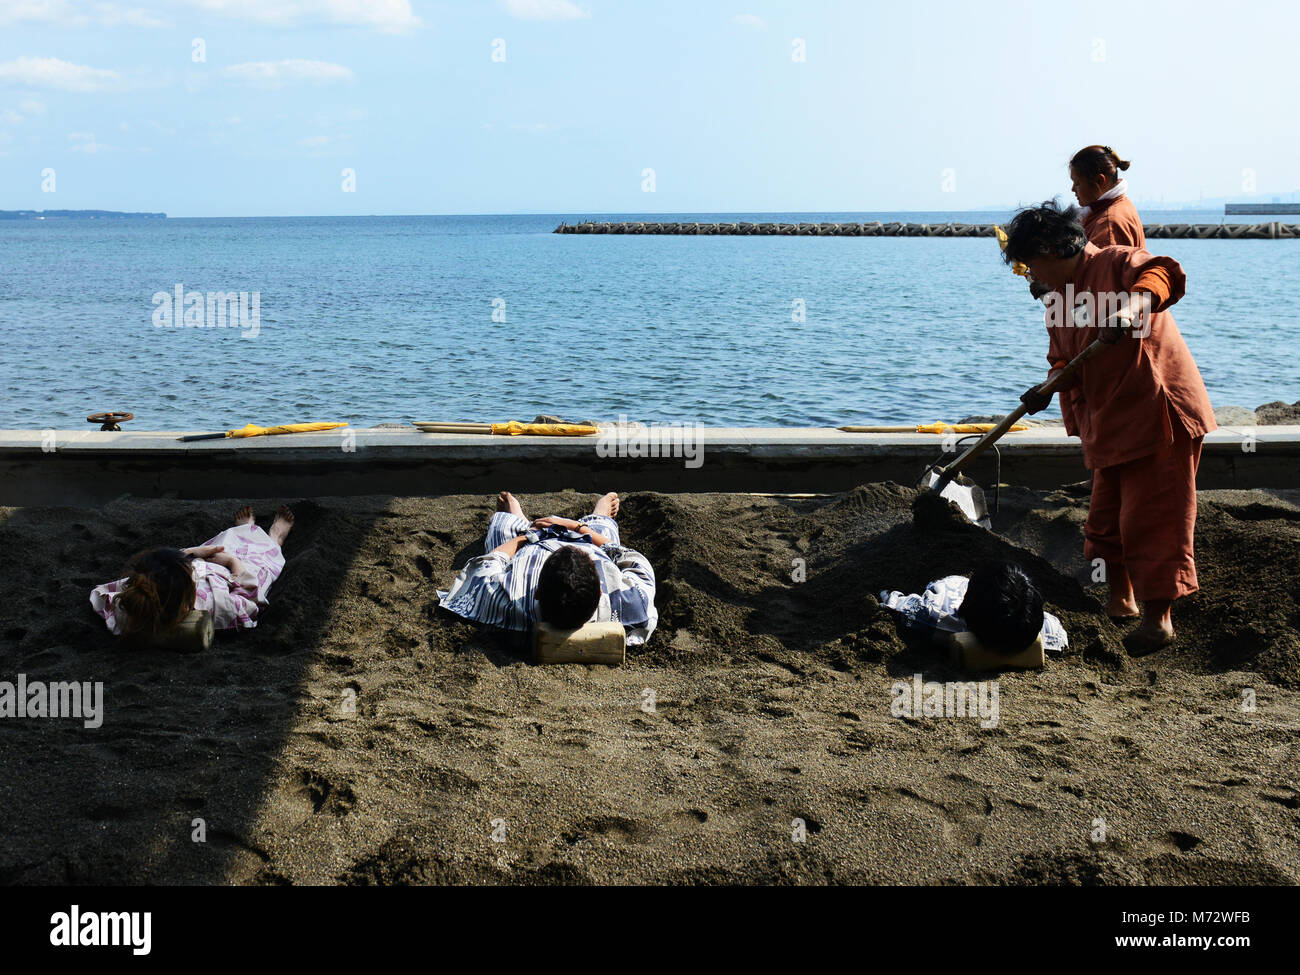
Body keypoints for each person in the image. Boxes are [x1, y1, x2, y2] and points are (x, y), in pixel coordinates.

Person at [1005, 200, 1216, 651]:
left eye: (1031, 264)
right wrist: (1050, 384)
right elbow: (1063, 358)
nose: (1030, 276)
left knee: (1153, 519)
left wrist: (1131, 307)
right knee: (1105, 521)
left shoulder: (1116, 261)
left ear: (1050, 248)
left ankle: (1159, 619)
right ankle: (1122, 602)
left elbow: (1162, 274)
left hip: (1157, 411)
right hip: (1109, 419)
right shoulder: (1059, 299)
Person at [439, 491, 657, 645]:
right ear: (600, 593)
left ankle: (519, 520)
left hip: (533, 543)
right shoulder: (628, 603)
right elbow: (631, 558)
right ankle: (597, 518)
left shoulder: (506, 603)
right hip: (585, 540)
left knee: (501, 526)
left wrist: (527, 536)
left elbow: (489, 562)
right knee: (604, 532)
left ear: (535, 593)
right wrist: (578, 528)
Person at [90, 505, 294, 635]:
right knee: (258, 562)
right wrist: (232, 563)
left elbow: (158, 568)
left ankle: (244, 529)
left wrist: (192, 553)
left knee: (221, 544)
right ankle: (274, 539)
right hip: (227, 575)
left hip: (204, 567)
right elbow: (250, 601)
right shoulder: (211, 606)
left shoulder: (132, 596)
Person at [881, 562, 1068, 655]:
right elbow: (1061, 638)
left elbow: (898, 603)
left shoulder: (933, 618)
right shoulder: (1050, 632)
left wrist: (885, 593)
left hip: (951, 592)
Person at [1069, 144, 1144, 248]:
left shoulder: (1108, 224)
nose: (1072, 189)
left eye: (1077, 183)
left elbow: (1099, 263)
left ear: (1100, 181)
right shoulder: (1121, 205)